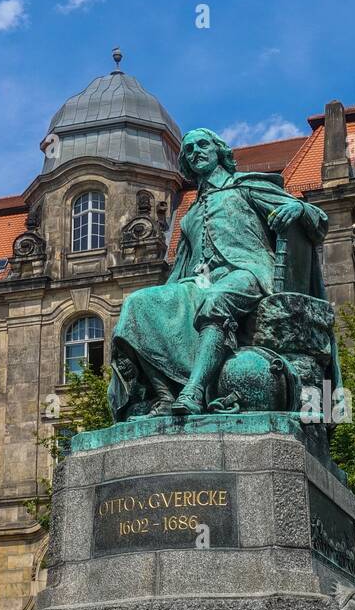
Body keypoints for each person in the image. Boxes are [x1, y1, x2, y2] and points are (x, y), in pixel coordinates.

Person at [108, 127, 328, 419]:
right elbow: (179, 270)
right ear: (185, 163)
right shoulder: (191, 215)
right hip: (201, 281)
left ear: (218, 151)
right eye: (188, 150)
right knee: (138, 305)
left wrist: (299, 209)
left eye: (202, 145)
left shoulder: (245, 186)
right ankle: (165, 395)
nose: (195, 151)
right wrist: (165, 302)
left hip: (248, 271)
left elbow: (319, 218)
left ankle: (195, 391)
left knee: (216, 300)